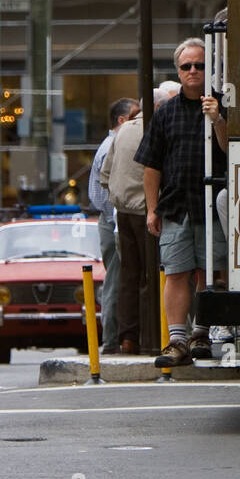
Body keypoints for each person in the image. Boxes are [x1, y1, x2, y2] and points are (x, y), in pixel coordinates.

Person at [137, 39, 227, 367]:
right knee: (176, 272)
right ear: (178, 71)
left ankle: (201, 332)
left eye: (199, 66)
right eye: (186, 66)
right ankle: (177, 340)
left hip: (209, 203)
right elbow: (151, 166)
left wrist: (217, 119)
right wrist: (151, 208)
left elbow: (233, 150)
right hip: (176, 204)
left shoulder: (222, 106)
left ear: (209, 70)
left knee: (208, 269)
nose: (192, 71)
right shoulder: (165, 115)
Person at [102, 84, 176, 354]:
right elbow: (163, 170)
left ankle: (127, 338)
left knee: (128, 276)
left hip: (123, 211)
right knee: (151, 276)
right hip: (148, 210)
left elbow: (105, 173)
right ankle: (150, 337)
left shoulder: (122, 132)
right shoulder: (157, 129)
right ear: (157, 107)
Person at [91, 97, 139, 354]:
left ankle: (116, 338)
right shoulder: (111, 145)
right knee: (117, 281)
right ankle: (111, 340)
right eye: (135, 117)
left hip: (116, 221)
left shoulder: (113, 143)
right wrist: (119, 218)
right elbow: (100, 192)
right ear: (122, 121)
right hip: (115, 223)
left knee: (121, 279)